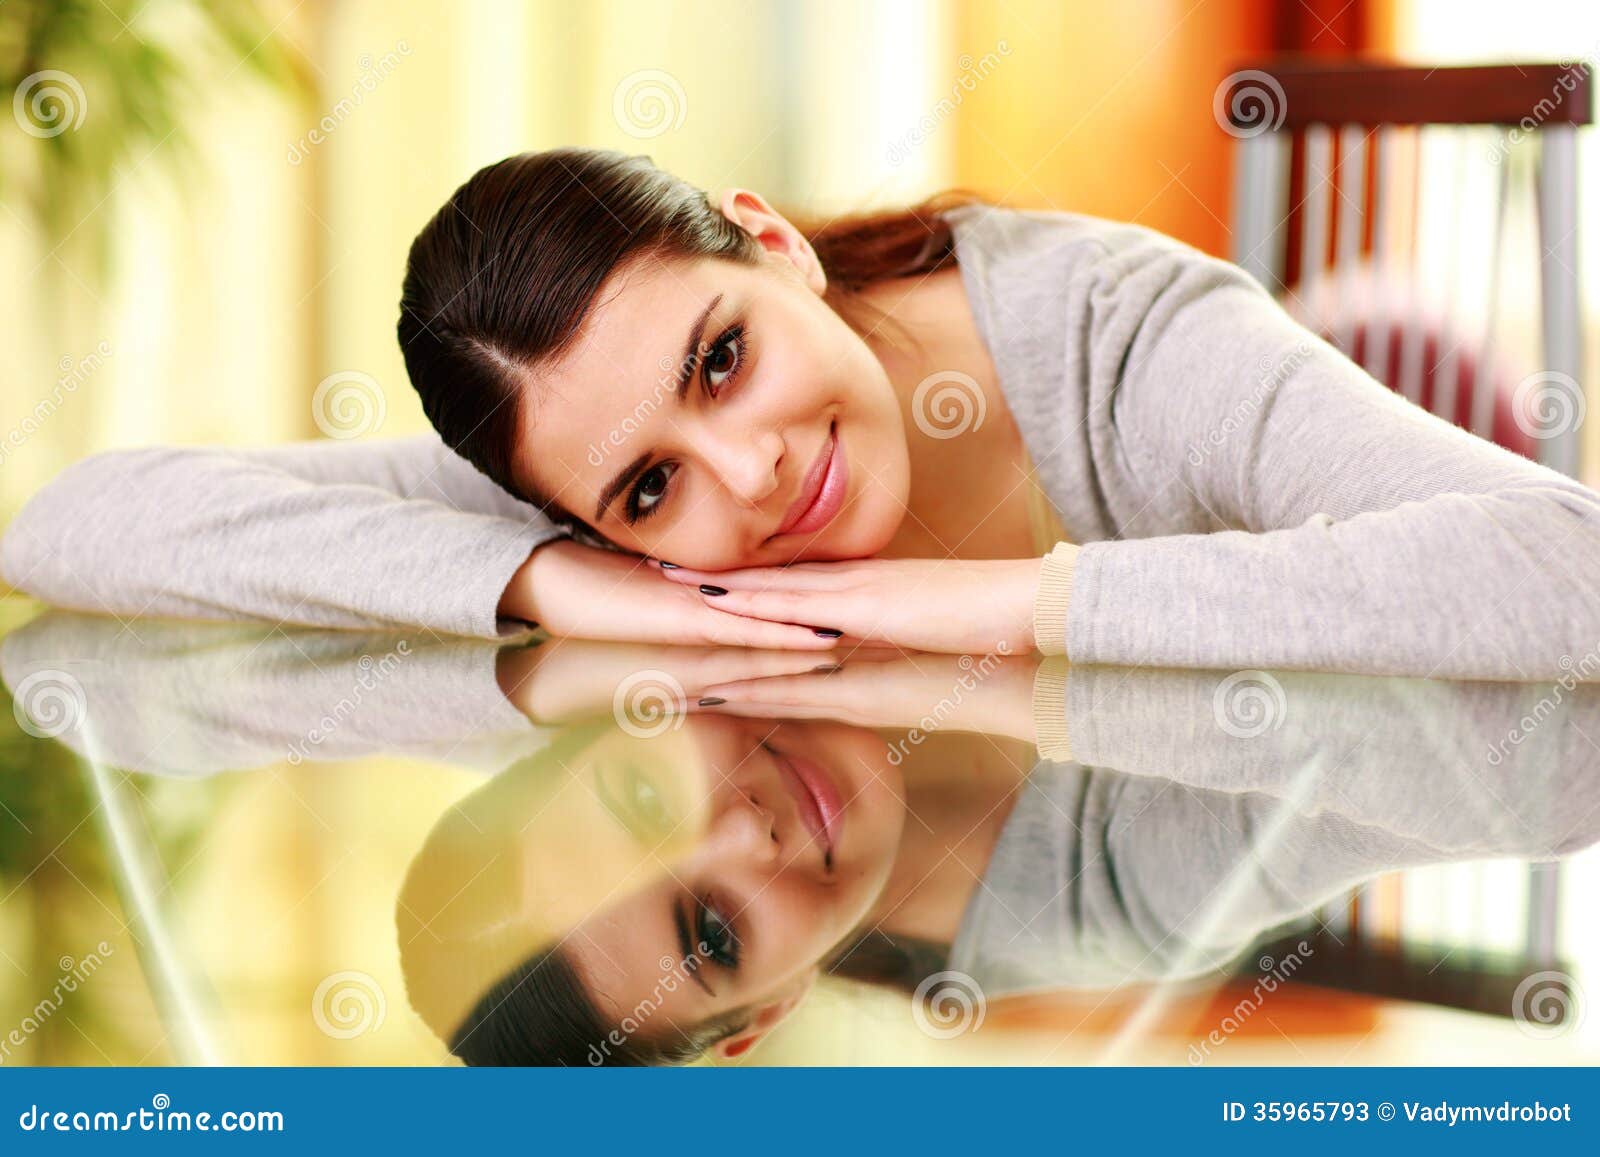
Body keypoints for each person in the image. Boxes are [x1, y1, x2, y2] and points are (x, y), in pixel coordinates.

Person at [5, 146, 1599, 676]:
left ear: (771, 245)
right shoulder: (579, 477)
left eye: (720, 358)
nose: (748, 471)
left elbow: (1567, 566)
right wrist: (549, 580)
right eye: (647, 489)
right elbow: (75, 520)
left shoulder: (1119, 341)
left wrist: (992, 602)